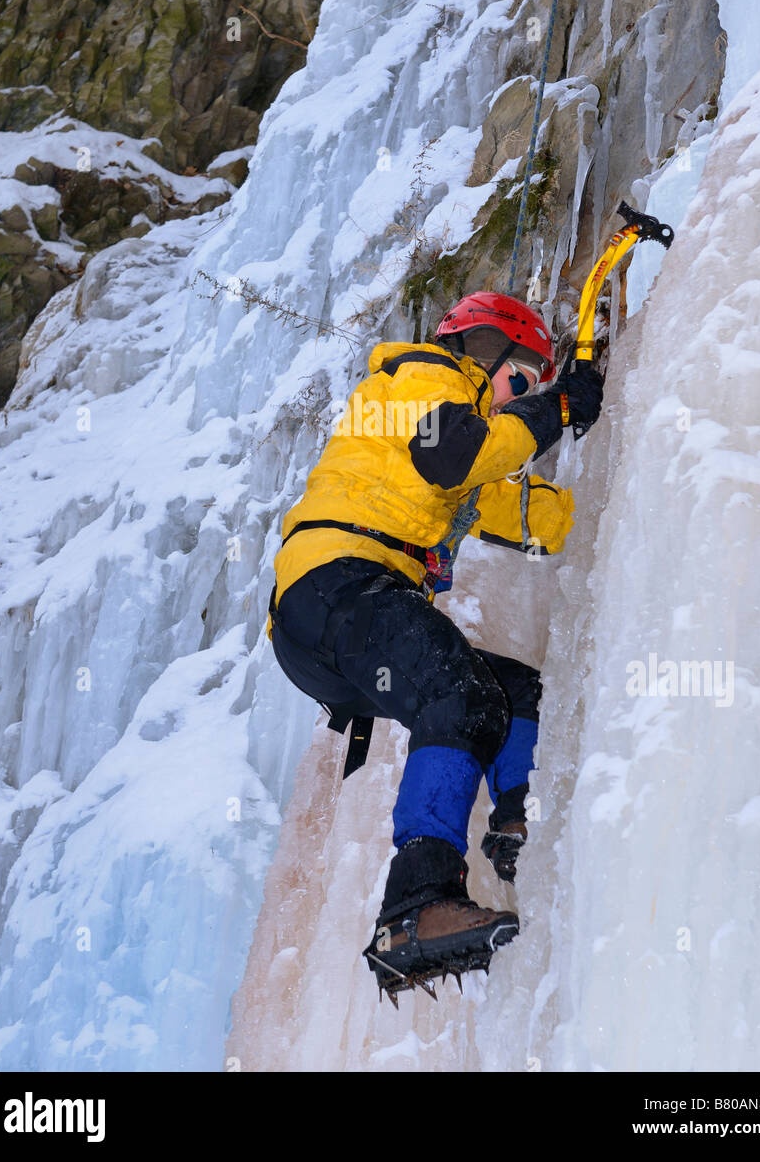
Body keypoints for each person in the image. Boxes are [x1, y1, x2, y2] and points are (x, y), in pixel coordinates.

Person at [267, 291, 603, 994]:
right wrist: (556, 409)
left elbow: (530, 518)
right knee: (460, 694)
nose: (523, 393)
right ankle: (415, 906)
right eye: (522, 377)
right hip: (337, 584)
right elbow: (455, 452)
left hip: (333, 627)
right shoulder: (423, 375)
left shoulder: (447, 445)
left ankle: (518, 824)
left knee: (511, 692)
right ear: (487, 351)